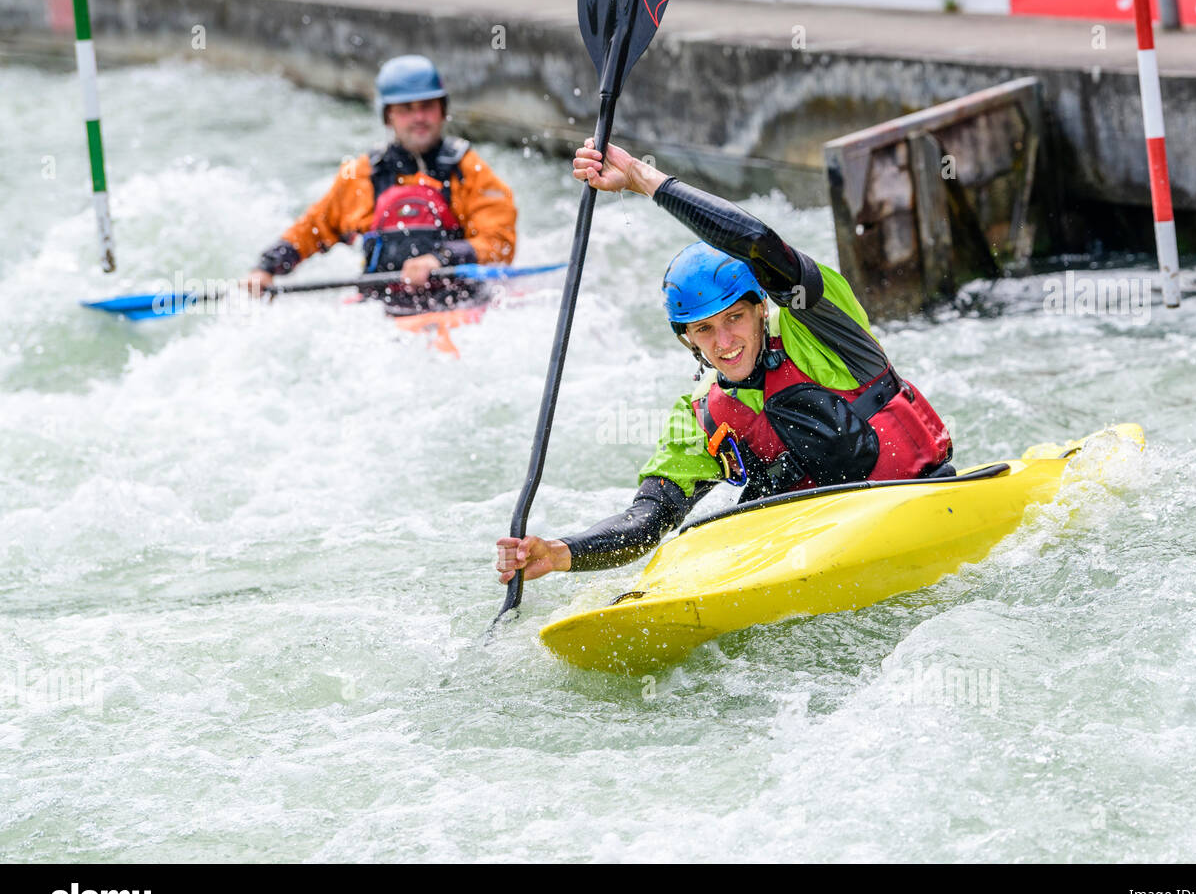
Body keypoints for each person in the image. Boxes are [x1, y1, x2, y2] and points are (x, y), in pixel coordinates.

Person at [495, 141, 954, 585]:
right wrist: (561, 553)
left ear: (760, 308)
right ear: (687, 340)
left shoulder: (815, 324)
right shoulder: (701, 415)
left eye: (734, 318)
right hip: (817, 548)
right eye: (704, 330)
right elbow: (648, 520)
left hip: (924, 504)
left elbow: (756, 241)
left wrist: (643, 179)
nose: (724, 342)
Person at [244, 55, 517, 314]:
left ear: (442, 111)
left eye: (427, 107)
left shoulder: (469, 169)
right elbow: (314, 228)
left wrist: (441, 258)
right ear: (388, 116)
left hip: (458, 301)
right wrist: (267, 267)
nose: (418, 118)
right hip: (381, 308)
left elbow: (499, 243)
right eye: (406, 109)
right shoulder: (363, 174)